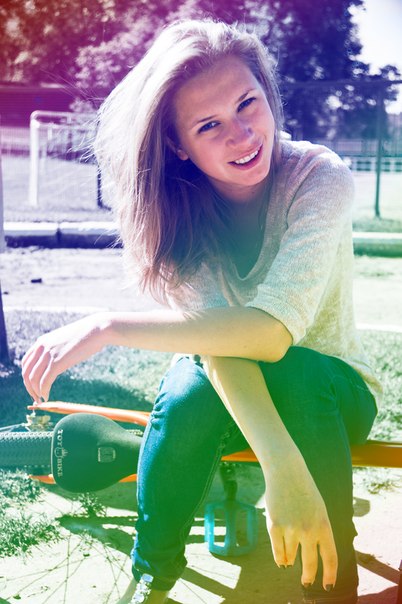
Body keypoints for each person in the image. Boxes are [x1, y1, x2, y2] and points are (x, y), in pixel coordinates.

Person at [22, 19, 381, 604]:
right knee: (187, 386)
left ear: (267, 94)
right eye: (209, 125)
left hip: (333, 394)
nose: (242, 135)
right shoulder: (174, 211)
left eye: (248, 104)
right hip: (225, 390)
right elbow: (219, 350)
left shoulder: (319, 177)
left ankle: (331, 589)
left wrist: (107, 326)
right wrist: (282, 467)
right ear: (178, 146)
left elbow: (269, 336)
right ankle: (152, 573)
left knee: (293, 370)